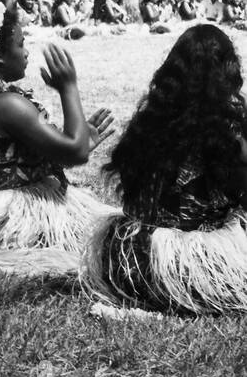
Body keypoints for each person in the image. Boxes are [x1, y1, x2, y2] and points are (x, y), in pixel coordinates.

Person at [0, 5, 118, 267]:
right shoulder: (7, 104)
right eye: (21, 44)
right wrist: (68, 87)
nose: (26, 52)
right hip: (15, 212)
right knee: (107, 240)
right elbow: (75, 152)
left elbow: (55, 153)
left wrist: (80, 141)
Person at [88, 25, 247, 313]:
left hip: (131, 264)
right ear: (228, 69)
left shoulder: (150, 119)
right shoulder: (230, 127)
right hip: (194, 267)